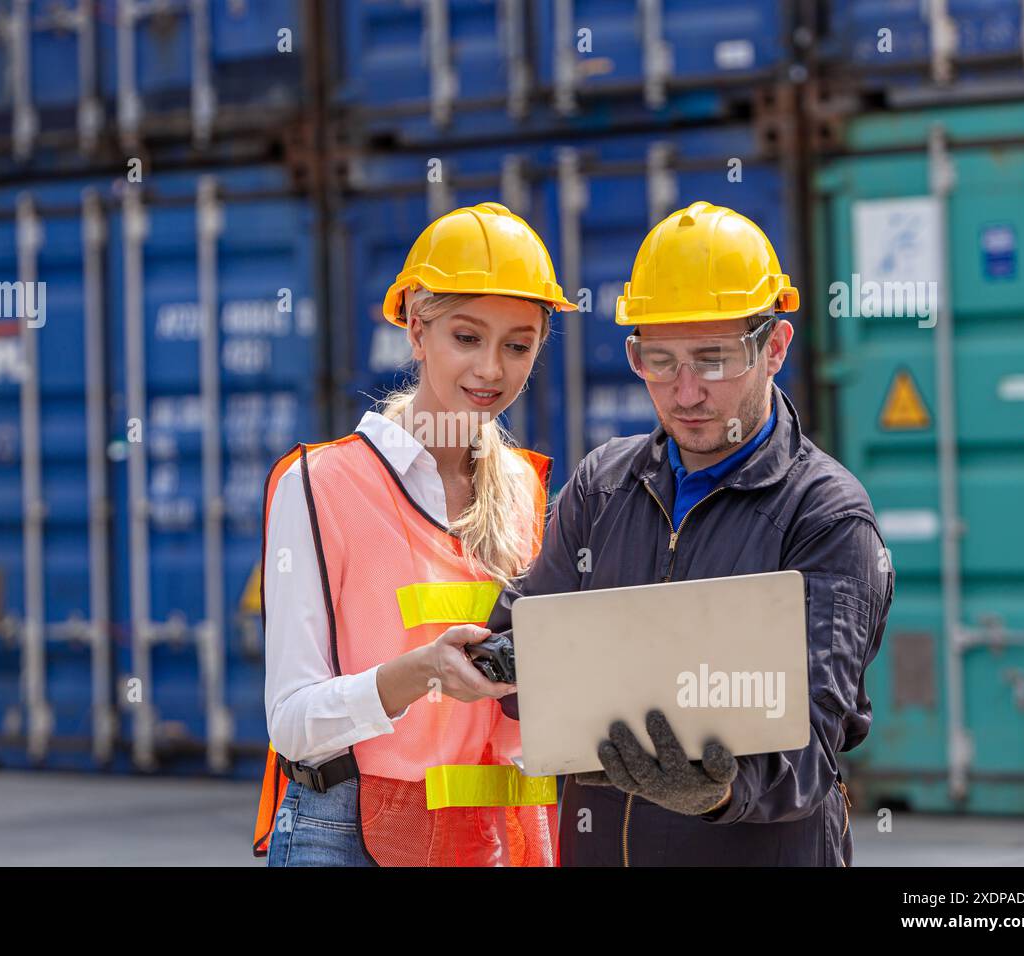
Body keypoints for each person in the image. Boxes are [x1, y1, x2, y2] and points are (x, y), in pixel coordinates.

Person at [486, 200, 895, 866]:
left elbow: (815, 744)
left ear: (776, 348)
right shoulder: (601, 486)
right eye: (660, 361)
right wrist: (500, 661)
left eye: (712, 360)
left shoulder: (825, 515)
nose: (685, 394)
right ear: (632, 353)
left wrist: (715, 791)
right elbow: (526, 645)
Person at [252, 202, 575, 866]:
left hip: (501, 838)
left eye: (517, 345)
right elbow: (290, 721)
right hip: (350, 832)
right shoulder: (319, 483)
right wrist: (420, 673)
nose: (491, 369)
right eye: (466, 337)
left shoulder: (528, 490)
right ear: (416, 330)